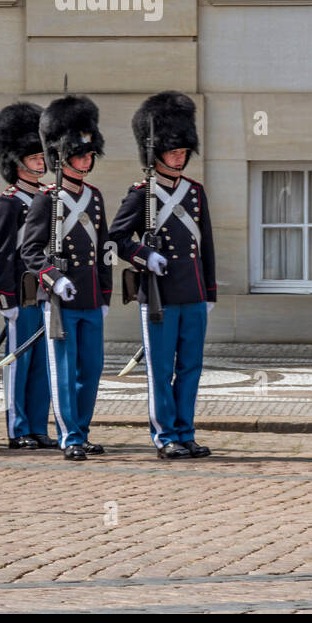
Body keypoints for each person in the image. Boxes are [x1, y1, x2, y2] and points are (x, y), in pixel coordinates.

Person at [110, 91, 216, 460]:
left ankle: (186, 432)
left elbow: (207, 247)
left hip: (193, 294)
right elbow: (118, 238)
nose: (179, 156)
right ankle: (165, 434)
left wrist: (210, 293)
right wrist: (144, 255)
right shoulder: (141, 194)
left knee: (190, 368)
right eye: (173, 151)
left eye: (183, 151)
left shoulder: (195, 193)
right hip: (160, 295)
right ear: (156, 152)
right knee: (160, 370)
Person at [20, 95, 111, 463]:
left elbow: (103, 249)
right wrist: (54, 278)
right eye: (79, 155)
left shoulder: (94, 196)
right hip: (61, 298)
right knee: (63, 369)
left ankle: (83, 430)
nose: (86, 160)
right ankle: (69, 435)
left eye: (89, 155)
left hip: (90, 297)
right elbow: (30, 250)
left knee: (90, 370)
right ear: (62, 157)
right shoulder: (47, 198)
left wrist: (104, 294)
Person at [0, 101, 55, 450]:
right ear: (17, 161)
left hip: (48, 294)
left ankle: (38, 424)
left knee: (44, 366)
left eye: (42, 156)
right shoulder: (9, 203)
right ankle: (18, 427)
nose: (41, 162)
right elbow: (1, 256)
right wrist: (6, 299)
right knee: (21, 364)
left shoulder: (48, 197)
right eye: (33, 157)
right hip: (23, 295)